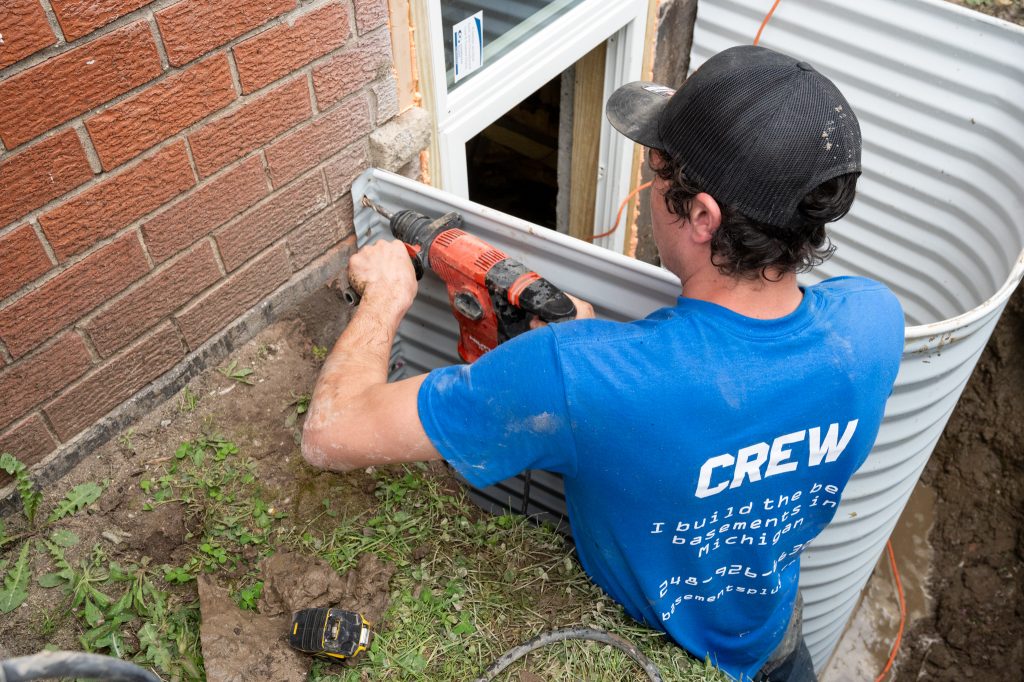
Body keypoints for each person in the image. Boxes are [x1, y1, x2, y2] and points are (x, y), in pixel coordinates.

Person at [301, 45, 905, 681]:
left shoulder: (579, 376)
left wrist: (389, 293)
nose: (647, 187)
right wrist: (602, 350)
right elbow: (732, 392)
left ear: (702, 216)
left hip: (658, 649)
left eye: (657, 169)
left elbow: (330, 433)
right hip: (775, 639)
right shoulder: (873, 323)